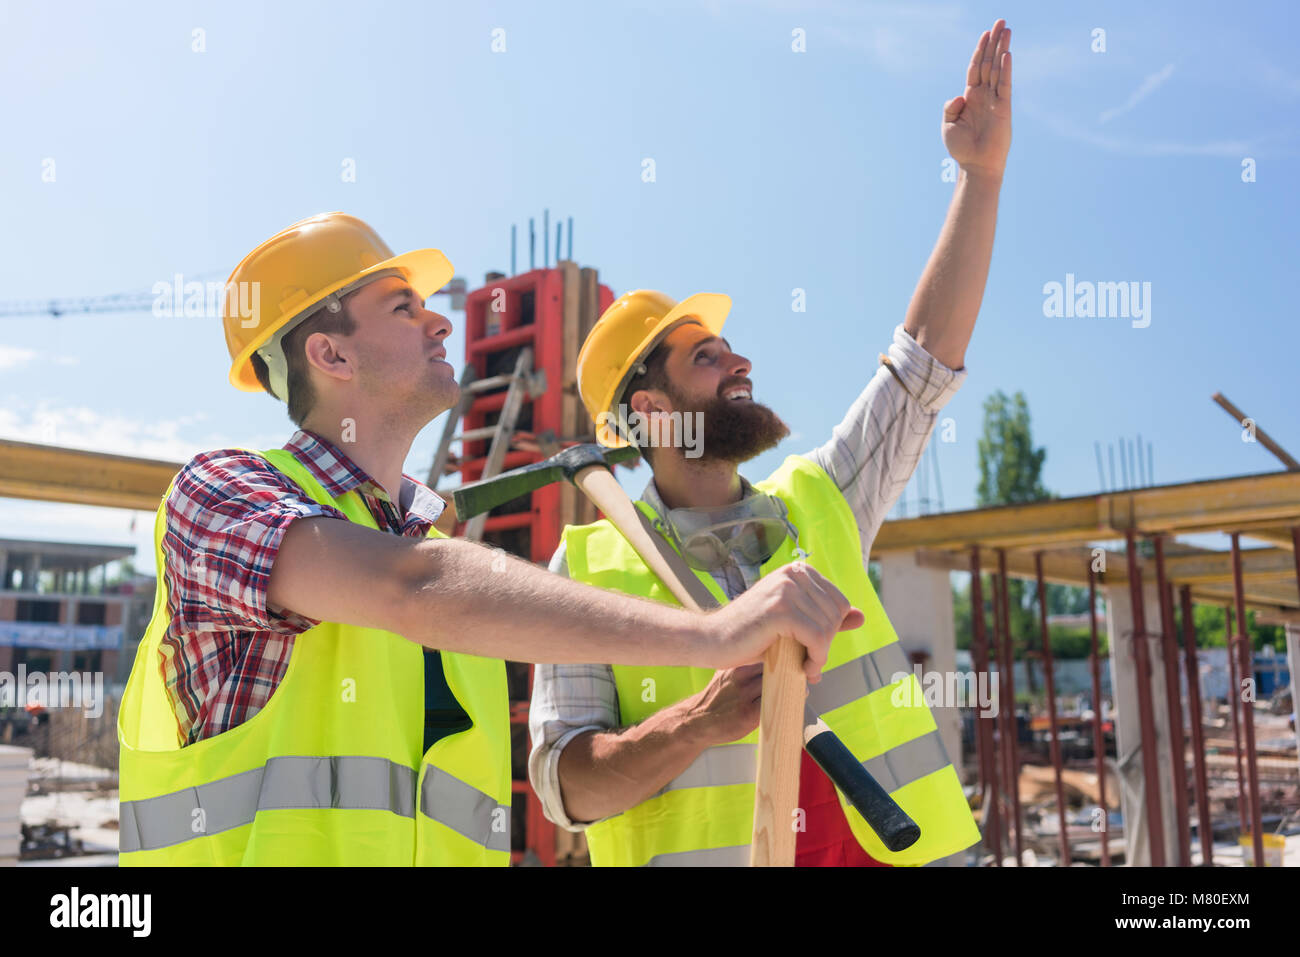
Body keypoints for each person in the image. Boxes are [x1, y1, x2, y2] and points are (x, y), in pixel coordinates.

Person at [116, 211, 862, 866]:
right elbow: (409, 583)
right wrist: (715, 634)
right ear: (331, 355)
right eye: (403, 306)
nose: (441, 322)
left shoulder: (435, 554)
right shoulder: (218, 496)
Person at [528, 18, 1013, 866]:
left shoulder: (821, 500)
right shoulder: (588, 572)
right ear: (650, 406)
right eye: (706, 355)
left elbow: (923, 364)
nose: (741, 361)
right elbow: (568, 790)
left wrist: (980, 179)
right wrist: (700, 719)